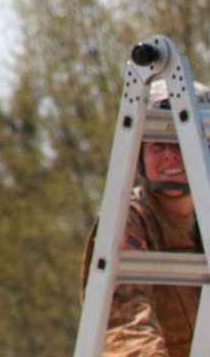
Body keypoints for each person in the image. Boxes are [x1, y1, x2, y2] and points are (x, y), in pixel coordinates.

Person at [83, 92, 203, 357]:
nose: (170, 156)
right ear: (139, 154)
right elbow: (125, 326)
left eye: (180, 142)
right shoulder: (127, 221)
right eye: (158, 144)